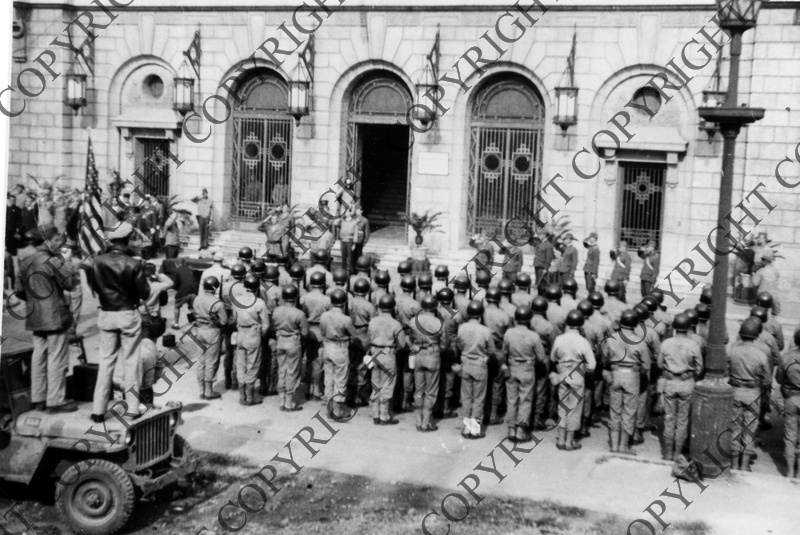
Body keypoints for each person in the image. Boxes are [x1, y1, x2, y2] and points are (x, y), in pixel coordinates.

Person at [83, 222, 150, 422]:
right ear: (127, 239)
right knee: (130, 362)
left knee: (105, 362)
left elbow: (94, 288)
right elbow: (144, 293)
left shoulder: (97, 261)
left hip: (106, 314)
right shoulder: (133, 263)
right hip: (128, 313)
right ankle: (131, 409)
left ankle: (98, 410)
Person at [18, 225, 78, 414]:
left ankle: (38, 398)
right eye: (55, 240)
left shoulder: (25, 261)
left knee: (38, 357)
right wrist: (67, 263)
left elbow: (20, 291)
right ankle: (55, 401)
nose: (58, 243)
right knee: (56, 358)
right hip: (55, 315)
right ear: (47, 241)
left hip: (35, 316)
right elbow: (69, 284)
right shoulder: (53, 261)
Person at [657, 313, 703, 461]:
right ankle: (678, 454)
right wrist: (689, 374)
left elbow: (659, 364)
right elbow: (699, 367)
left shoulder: (666, 343)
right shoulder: (693, 345)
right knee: (682, 420)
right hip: (686, 384)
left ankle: (668, 453)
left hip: (670, 382)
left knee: (669, 418)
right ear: (688, 327)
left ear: (675, 327)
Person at [727, 318, 771, 471]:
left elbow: (726, 368)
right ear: (756, 335)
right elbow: (767, 380)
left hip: (735, 392)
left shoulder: (733, 350)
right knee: (749, 430)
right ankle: (744, 466)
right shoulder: (761, 354)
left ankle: (733, 464)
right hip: (753, 393)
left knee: (734, 428)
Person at [602, 310, 646, 455]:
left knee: (614, 410)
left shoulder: (611, 338)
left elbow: (604, 359)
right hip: (632, 376)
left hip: (615, 374)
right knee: (629, 411)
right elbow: (646, 366)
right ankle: (623, 446)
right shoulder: (640, 340)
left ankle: (613, 445)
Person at [552, 310, 596, 451]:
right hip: (577, 376)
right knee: (575, 408)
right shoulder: (583, 342)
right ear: (581, 325)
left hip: (563, 374)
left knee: (562, 406)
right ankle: (569, 442)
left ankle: (560, 439)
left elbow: (553, 357)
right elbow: (592, 365)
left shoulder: (559, 339)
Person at [502, 305, 546, 443]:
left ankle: (511, 429)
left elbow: (504, 352)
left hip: (512, 367)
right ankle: (521, 431)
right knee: (525, 400)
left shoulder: (509, 333)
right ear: (529, 319)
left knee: (511, 399)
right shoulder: (534, 336)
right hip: (527, 369)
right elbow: (541, 357)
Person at [456, 301, 496, 439]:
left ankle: (466, 427)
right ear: (480, 315)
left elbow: (459, 345)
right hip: (480, 365)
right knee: (479, 398)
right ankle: (474, 429)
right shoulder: (486, 330)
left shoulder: (461, 328)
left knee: (466, 397)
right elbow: (491, 350)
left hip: (466, 363)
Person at [409, 295, 449, 432]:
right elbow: (445, 344)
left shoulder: (413, 321)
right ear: (435, 308)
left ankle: (418, 420)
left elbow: (411, 337)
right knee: (431, 390)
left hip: (418, 354)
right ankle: (426, 422)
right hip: (433, 354)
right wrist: (436, 350)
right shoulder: (439, 323)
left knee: (419, 389)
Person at [320, 289, 359, 420]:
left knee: (328, 378)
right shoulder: (346, 319)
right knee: (340, 380)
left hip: (327, 347)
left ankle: (328, 408)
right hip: (340, 349)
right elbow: (354, 335)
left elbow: (322, 332)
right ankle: (337, 410)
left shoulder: (324, 316)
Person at [368, 295, 406, 425]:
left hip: (374, 353)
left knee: (375, 383)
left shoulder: (373, 321)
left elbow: (369, 336)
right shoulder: (395, 323)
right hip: (388, 353)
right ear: (392, 308)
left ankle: (375, 414)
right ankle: (384, 415)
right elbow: (402, 343)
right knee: (387, 384)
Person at [272, 286, 309, 411]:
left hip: (280, 341)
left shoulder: (276, 311)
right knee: (292, 372)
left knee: (282, 370)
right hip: (293, 343)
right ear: (296, 298)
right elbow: (305, 333)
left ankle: (281, 400)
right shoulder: (299, 313)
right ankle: (289, 402)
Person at [235, 274, 271, 406]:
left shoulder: (237, 300)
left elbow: (235, 317)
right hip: (253, 333)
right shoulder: (260, 303)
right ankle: (250, 397)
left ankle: (241, 396)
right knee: (253, 364)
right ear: (256, 289)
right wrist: (261, 334)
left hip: (240, 333)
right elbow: (266, 324)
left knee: (240, 364)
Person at [194, 276, 228, 400]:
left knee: (201, 361)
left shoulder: (197, 299)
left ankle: (201, 390)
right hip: (212, 331)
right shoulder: (217, 303)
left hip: (199, 330)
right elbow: (224, 321)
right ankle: (209, 391)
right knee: (211, 361)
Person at [301, 272, 332, 400]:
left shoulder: (304, 297)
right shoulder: (326, 300)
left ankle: (307, 388)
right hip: (320, 330)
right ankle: (317, 390)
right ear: (323, 284)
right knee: (318, 362)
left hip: (307, 328)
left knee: (308, 359)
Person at [484, 288, 513, 425]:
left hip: (483, 350)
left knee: (483, 383)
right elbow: (509, 335)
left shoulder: (481, 312)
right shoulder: (504, 315)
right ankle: (493, 414)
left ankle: (482, 412)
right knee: (497, 384)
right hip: (499, 350)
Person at [530, 296, 557, 430]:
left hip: (528, 356)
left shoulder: (527, 321)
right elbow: (553, 346)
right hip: (544, 356)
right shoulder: (548, 325)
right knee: (540, 389)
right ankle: (536, 418)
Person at [776, 330, 800, 478]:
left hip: (791, 397)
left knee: (790, 435)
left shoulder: (787, 356)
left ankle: (790, 470)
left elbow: (778, 377)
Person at [396, 275, 421, 412]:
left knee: (396, 368)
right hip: (409, 337)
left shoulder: (394, 300)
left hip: (395, 335)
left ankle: (395, 400)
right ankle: (405, 401)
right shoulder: (415, 305)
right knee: (408, 370)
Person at [220, 263, 248, 390]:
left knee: (228, 352)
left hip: (227, 319)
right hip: (239, 320)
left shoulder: (224, 286)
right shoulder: (244, 288)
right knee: (239, 352)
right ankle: (236, 380)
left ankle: (228, 380)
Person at [349, 278, 375, 406]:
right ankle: (358, 395)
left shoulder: (348, 302)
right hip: (364, 335)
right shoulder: (369, 306)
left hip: (350, 334)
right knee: (362, 367)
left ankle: (350, 395)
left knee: (350, 365)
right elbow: (374, 324)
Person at [140, 263, 173, 341]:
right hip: (153, 315)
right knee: (153, 338)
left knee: (141, 339)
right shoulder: (156, 286)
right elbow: (170, 283)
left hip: (140, 314)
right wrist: (158, 275)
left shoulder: (137, 285)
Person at [751, 250, 781, 316]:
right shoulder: (775, 271)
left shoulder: (760, 271)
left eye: (762, 260)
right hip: (774, 296)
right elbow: (777, 279)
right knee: (776, 312)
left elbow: (755, 283)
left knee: (757, 311)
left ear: (764, 261)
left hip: (762, 296)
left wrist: (753, 273)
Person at [171, 257, 198, 330]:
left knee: (176, 306)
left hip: (184, 291)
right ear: (184, 263)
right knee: (191, 307)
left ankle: (176, 325)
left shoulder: (176, 270)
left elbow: (174, 284)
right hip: (194, 290)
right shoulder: (189, 269)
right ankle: (195, 321)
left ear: (176, 264)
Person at [339, 209, 357, 276]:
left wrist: (354, 244)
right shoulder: (342, 221)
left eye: (347, 212)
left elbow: (355, 233)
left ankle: (348, 273)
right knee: (343, 257)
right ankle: (343, 271)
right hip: (343, 241)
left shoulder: (354, 222)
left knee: (349, 258)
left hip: (350, 241)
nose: (346, 213)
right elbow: (335, 223)